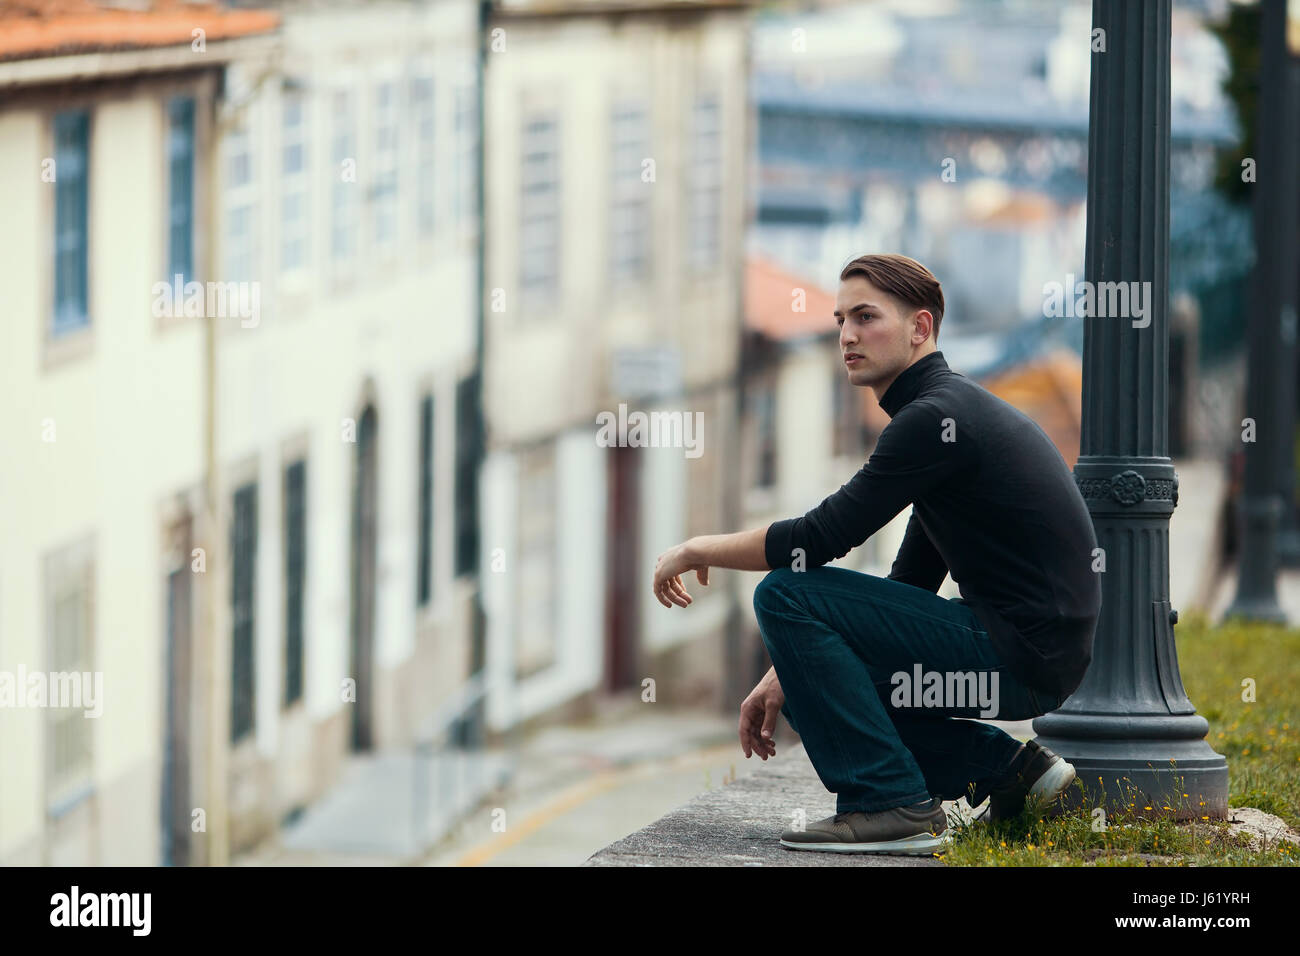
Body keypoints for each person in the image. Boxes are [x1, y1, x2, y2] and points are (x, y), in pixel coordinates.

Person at [651, 253, 1101, 855]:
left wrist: (698, 546)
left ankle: (888, 803)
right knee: (816, 684)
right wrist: (790, 668)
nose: (846, 336)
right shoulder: (945, 415)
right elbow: (912, 580)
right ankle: (1013, 772)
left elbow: (817, 540)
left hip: (1017, 656)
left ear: (920, 328)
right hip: (1036, 663)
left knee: (783, 591)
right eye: (840, 320)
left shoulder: (934, 418)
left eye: (865, 317)